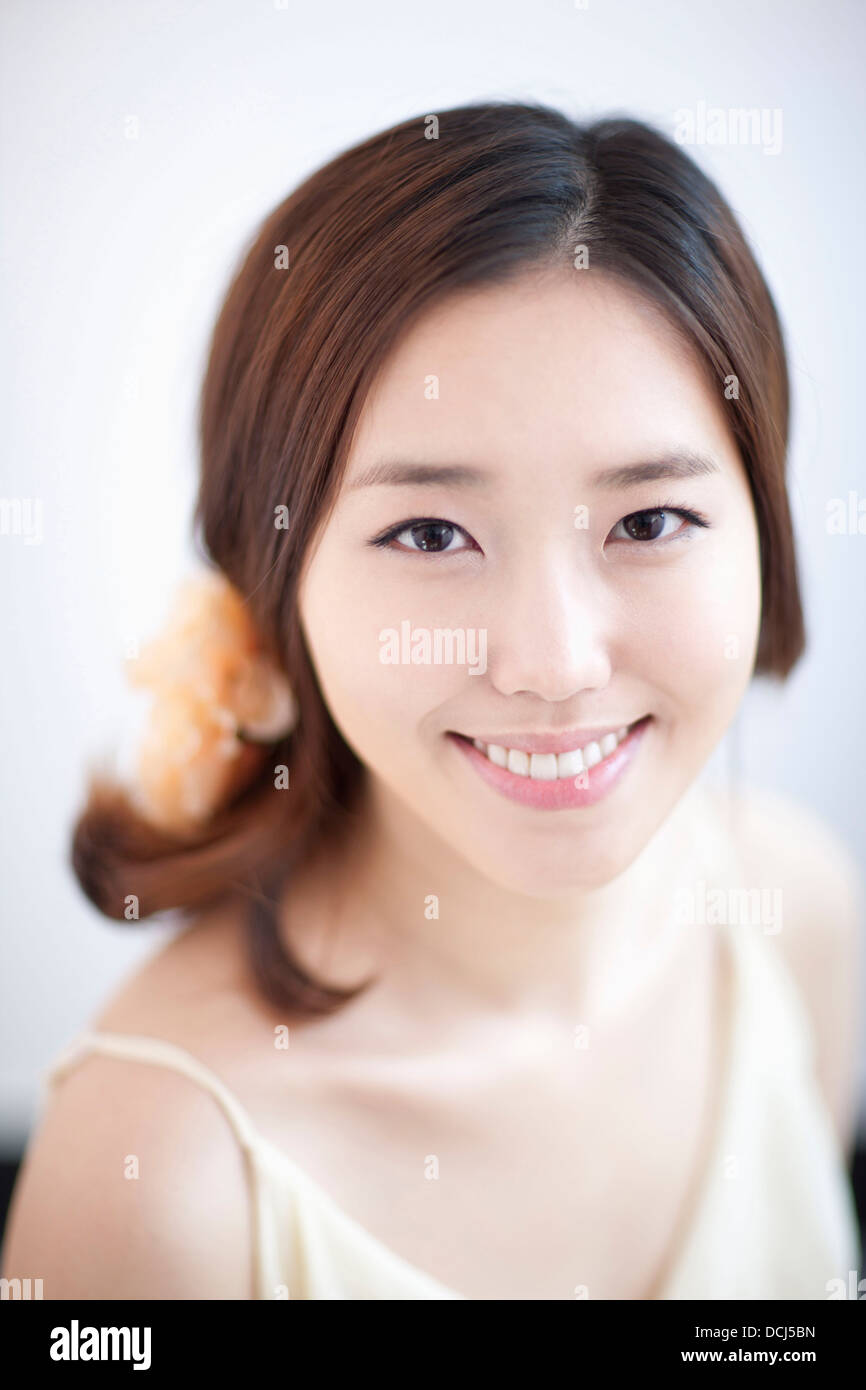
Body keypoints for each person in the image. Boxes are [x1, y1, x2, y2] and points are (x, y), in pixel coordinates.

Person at [2, 100, 862, 1301]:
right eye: (428, 530)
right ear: (270, 587)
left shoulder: (796, 919)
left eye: (648, 521)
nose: (553, 662)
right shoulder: (158, 1171)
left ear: (763, 530)